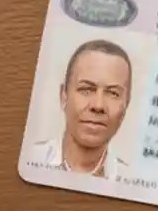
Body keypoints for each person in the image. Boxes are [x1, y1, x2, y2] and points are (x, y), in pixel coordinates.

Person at [27, 39, 132, 179]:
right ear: (63, 96)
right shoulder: (29, 160)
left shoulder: (132, 182)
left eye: (113, 93)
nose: (98, 106)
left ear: (126, 104)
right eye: (86, 89)